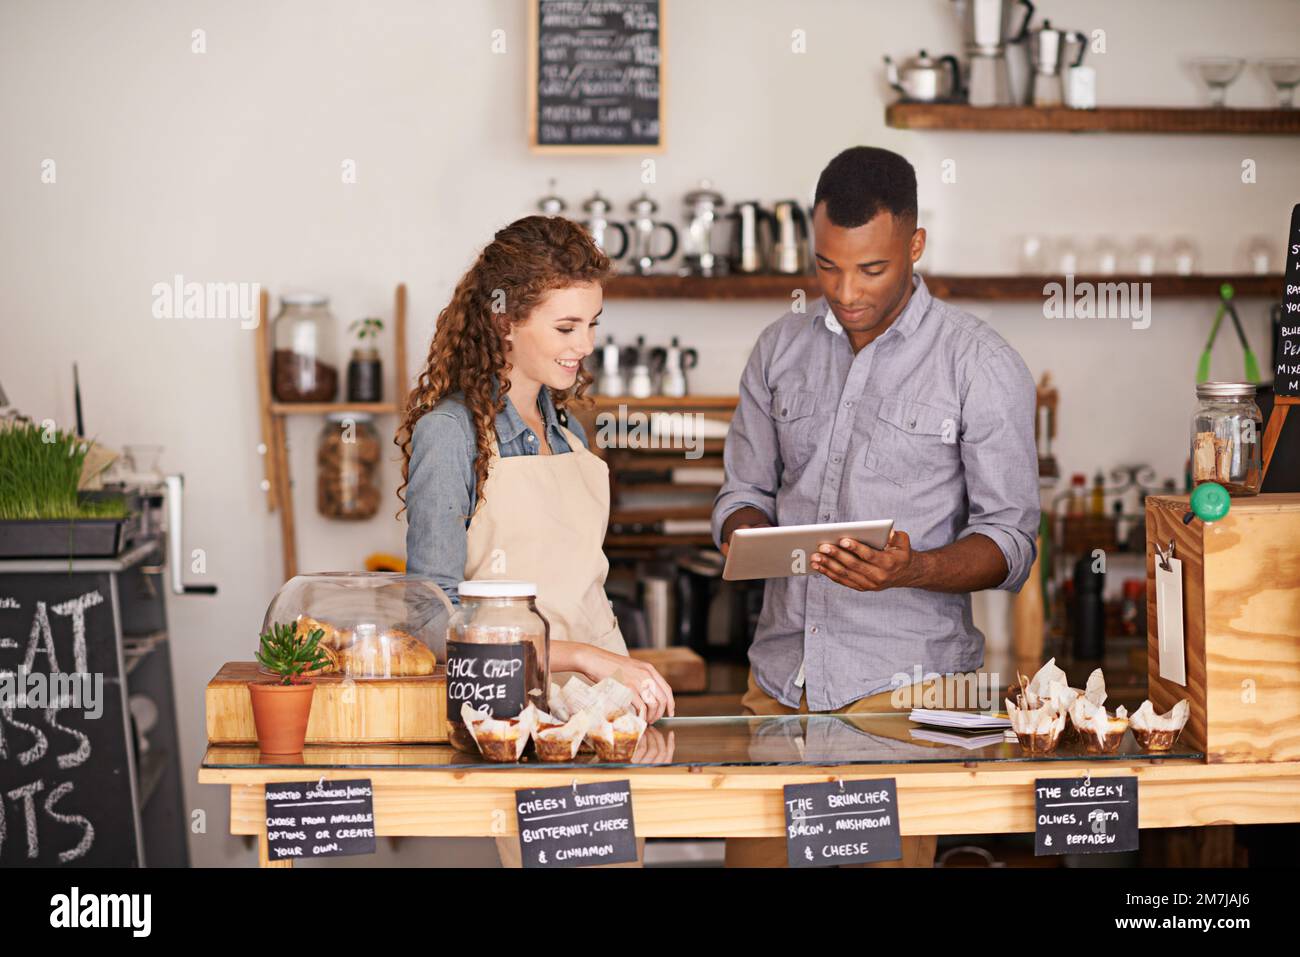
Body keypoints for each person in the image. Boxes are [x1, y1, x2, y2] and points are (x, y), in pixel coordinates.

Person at [713, 147, 1040, 868]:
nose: (845, 290)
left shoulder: (979, 365)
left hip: (905, 699)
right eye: (827, 266)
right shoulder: (778, 352)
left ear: (915, 246)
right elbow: (741, 494)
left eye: (871, 268)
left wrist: (914, 566)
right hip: (776, 690)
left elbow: (1011, 539)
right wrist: (753, 537)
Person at [398, 215, 674, 866]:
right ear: (504, 322)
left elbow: (585, 588)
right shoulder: (453, 434)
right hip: (515, 724)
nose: (584, 345)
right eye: (565, 327)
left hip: (601, 717)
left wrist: (623, 686)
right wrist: (585, 659)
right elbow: (430, 615)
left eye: (593, 323)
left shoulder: (569, 432)